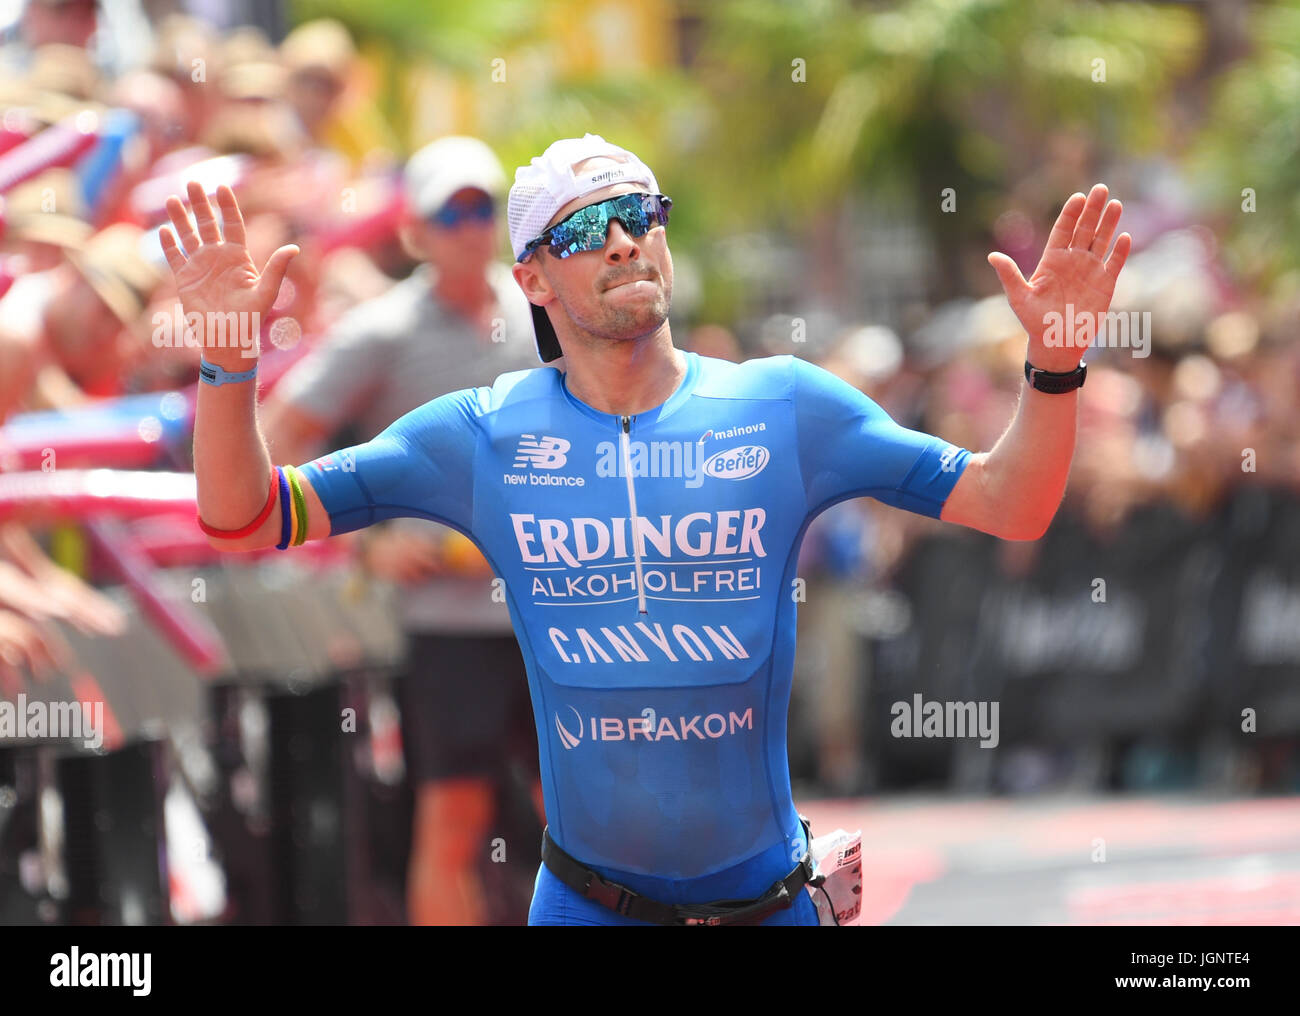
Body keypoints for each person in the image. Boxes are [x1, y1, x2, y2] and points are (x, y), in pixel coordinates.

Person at [162, 133, 1130, 926]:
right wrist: (227, 368)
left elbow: (1011, 501)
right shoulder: (480, 434)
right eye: (587, 227)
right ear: (534, 277)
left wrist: (1053, 367)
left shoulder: (786, 407)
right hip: (589, 906)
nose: (625, 238)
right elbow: (244, 514)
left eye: (642, 213)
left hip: (768, 905)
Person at [259, 136, 545, 926]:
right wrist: (364, 539)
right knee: (453, 823)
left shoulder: (544, 315)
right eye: (449, 211)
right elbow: (276, 440)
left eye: (482, 207)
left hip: (558, 606)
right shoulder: (379, 331)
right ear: (415, 230)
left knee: (584, 816)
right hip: (447, 625)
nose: (468, 225)